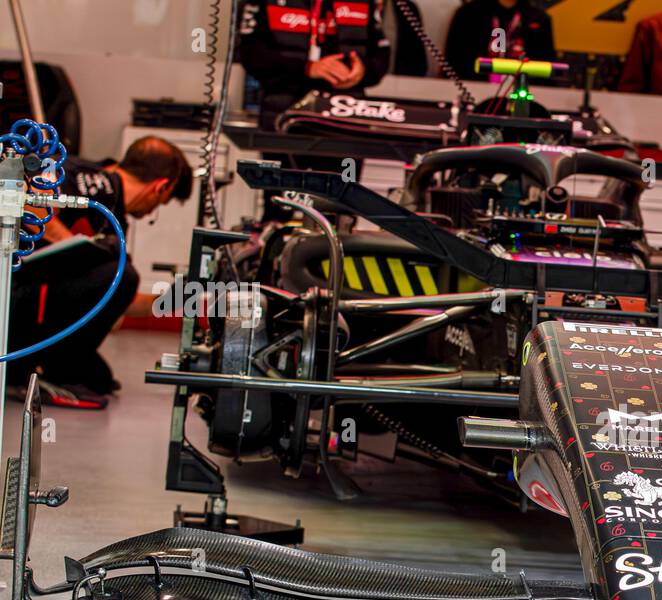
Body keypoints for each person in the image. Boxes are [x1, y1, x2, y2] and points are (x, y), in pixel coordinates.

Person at [9, 137, 193, 408]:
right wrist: (74, 247)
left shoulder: (113, 219)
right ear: (161, 187)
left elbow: (115, 295)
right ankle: (31, 371)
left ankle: (38, 367)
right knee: (124, 275)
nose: (154, 210)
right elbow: (27, 203)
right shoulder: (89, 179)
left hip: (29, 304)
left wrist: (179, 301)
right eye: (162, 203)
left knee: (99, 380)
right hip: (14, 297)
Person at [236, 0, 392, 122]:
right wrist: (307, 68)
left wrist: (363, 71)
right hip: (281, 114)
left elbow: (381, 53)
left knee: (347, 162)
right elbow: (250, 54)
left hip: (347, 115)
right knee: (281, 162)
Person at [444, 0, 556, 81]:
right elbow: (453, 62)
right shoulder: (468, 14)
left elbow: (547, 69)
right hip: (474, 86)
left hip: (523, 90)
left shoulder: (539, 19)